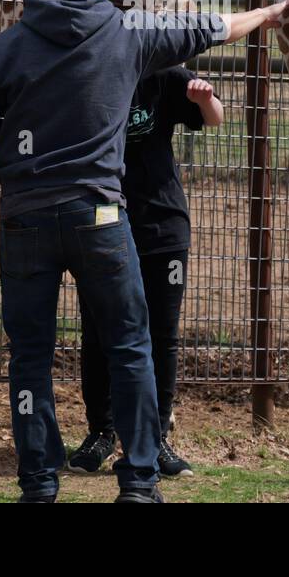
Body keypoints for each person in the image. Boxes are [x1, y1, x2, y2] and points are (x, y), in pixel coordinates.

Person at [0, 0, 289, 503]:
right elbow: (211, 28)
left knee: (29, 355)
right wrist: (272, 12)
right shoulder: (126, 33)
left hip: (24, 219)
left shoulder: (4, 49)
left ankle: (38, 482)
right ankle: (140, 481)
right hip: (100, 216)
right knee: (131, 345)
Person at [68, 63, 222, 478]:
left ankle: (154, 439)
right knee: (98, 330)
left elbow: (215, 117)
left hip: (162, 227)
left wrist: (205, 98)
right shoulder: (89, 72)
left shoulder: (162, 74)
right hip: (102, 222)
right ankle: (102, 432)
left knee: (161, 335)